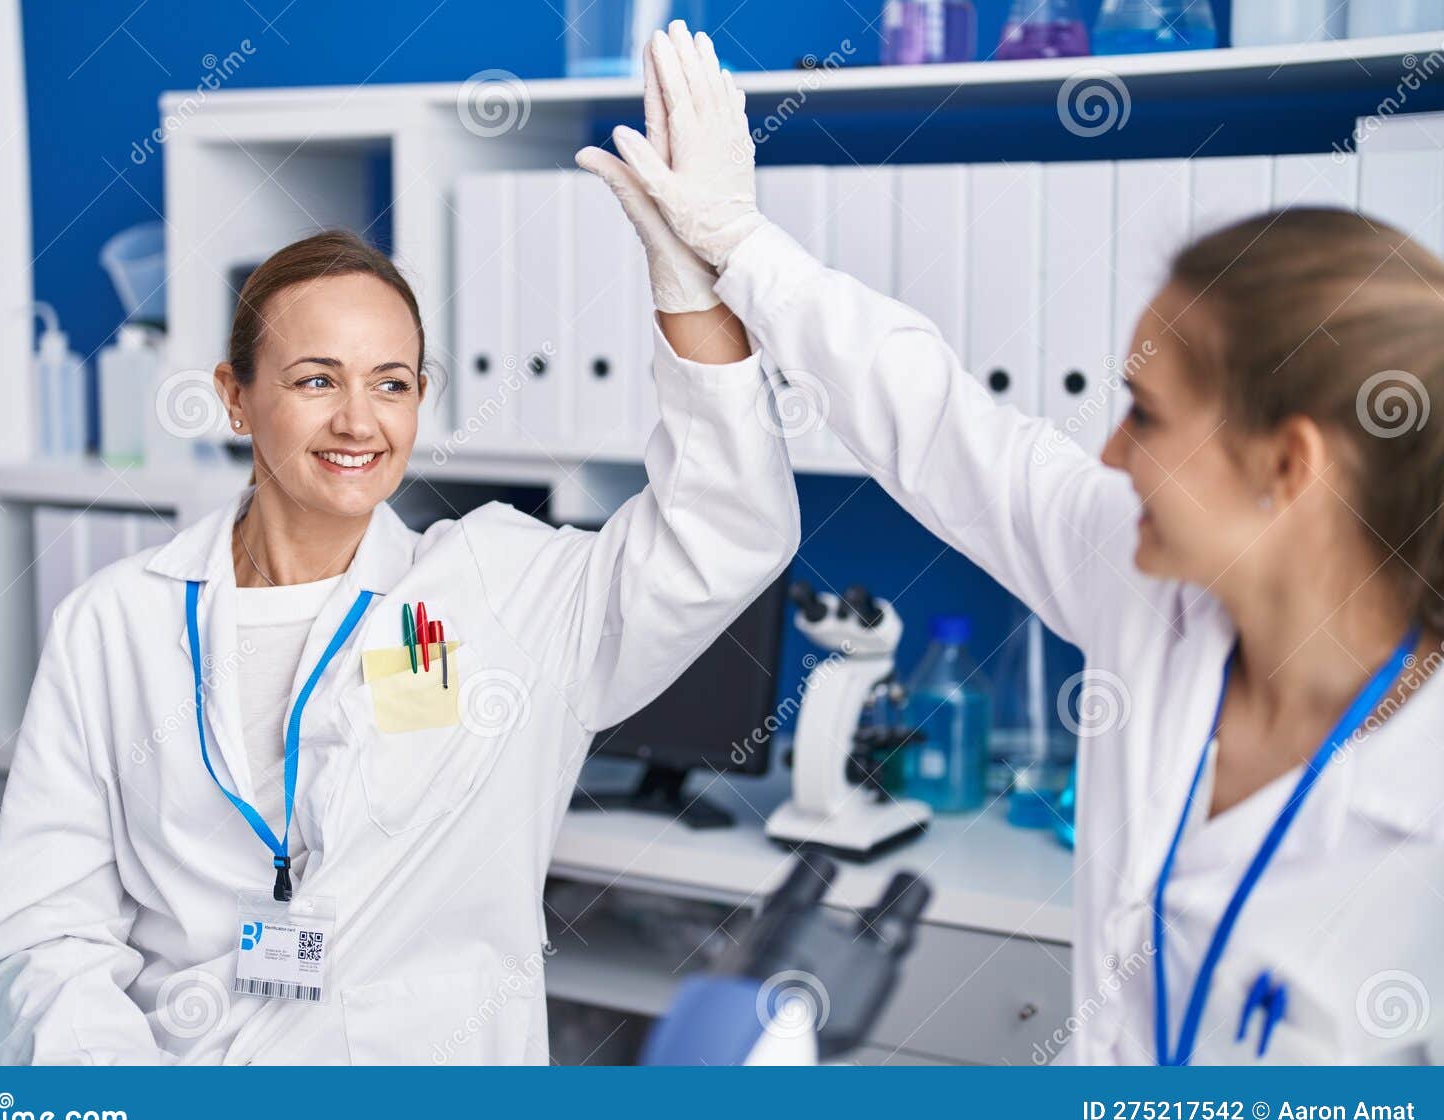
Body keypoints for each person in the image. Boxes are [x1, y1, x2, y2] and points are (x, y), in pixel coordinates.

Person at [579, 19, 1444, 1063]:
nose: (1112, 455)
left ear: (1287, 465)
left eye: (1148, 416)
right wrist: (736, 244)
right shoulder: (1144, 586)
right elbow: (939, 423)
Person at [0, 143, 800, 1061]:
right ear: (235, 400)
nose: (359, 422)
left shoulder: (497, 589)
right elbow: (38, 936)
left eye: (390, 384)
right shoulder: (114, 623)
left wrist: (692, 288)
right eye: (316, 379)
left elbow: (726, 527)